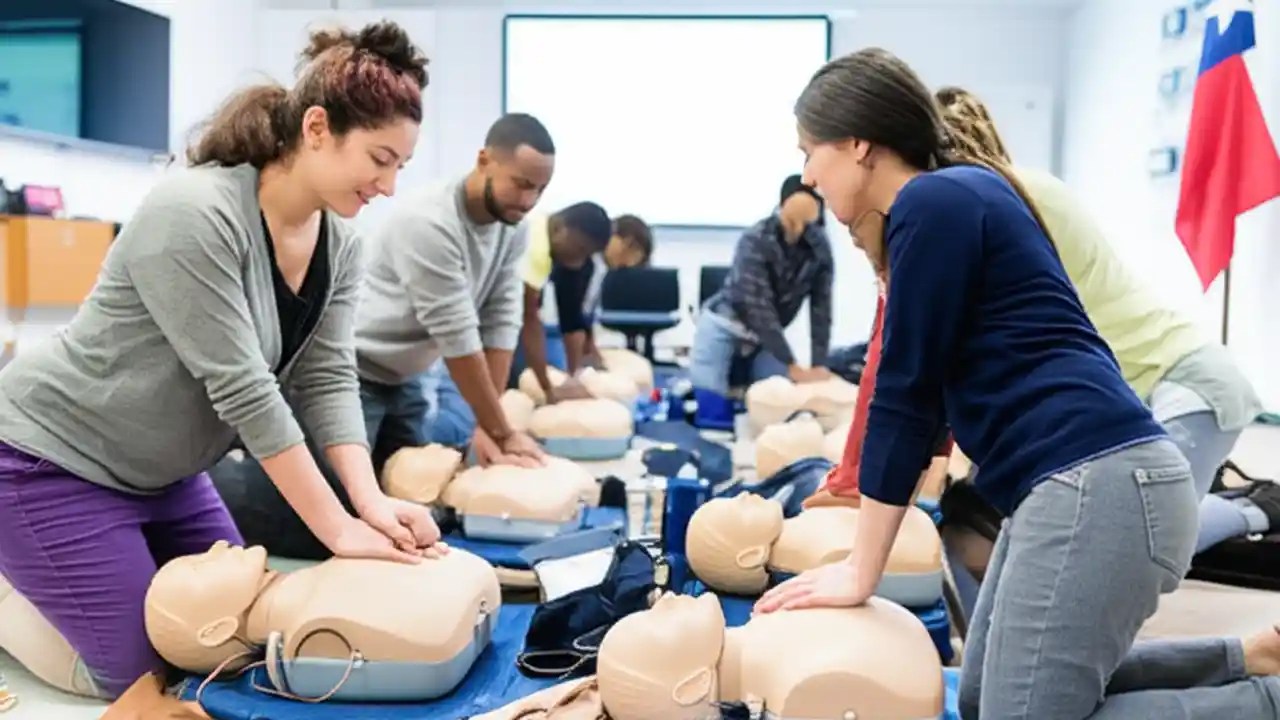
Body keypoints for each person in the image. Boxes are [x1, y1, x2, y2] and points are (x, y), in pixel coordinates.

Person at [755, 48, 1280, 718]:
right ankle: (1251, 659)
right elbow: (919, 397)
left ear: (858, 144)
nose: (806, 174)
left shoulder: (931, 203)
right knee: (984, 701)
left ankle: (1264, 702)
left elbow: (906, 395)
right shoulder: (959, 195)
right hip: (1088, 484)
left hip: (1101, 484)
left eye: (809, 150)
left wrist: (861, 570)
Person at [0, 21, 440, 699]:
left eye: (399, 168)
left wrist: (370, 502)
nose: (387, 185)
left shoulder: (340, 245)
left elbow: (325, 378)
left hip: (167, 475)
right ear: (318, 128)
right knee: (145, 676)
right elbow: (246, 391)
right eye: (379, 159)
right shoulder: (195, 210)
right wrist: (338, 532)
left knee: (228, 642)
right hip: (50, 461)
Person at [935, 85, 1277, 554]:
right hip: (1147, 392)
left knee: (1130, 551)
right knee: (1099, 548)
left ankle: (1258, 508)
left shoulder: (1010, 203)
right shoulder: (1010, 196)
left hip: (1185, 385)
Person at [352, 112, 552, 469]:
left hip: (407, 376)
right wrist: (502, 431)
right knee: (343, 490)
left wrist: (488, 426)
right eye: (521, 183)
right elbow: (457, 336)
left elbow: (501, 322)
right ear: (484, 161)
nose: (528, 200)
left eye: (540, 189)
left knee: (408, 485)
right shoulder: (429, 221)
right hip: (353, 371)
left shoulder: (512, 226)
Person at [690, 174, 834, 396]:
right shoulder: (756, 239)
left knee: (776, 397)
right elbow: (759, 308)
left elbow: (821, 309)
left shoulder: (819, 248)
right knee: (710, 398)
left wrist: (819, 365)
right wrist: (792, 364)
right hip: (725, 323)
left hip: (766, 340)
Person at [511, 201, 613, 400]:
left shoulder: (550, 234)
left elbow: (572, 317)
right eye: (580, 249)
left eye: (587, 255)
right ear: (561, 229)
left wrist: (572, 377)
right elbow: (529, 317)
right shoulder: (535, 248)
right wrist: (548, 390)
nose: (580, 260)